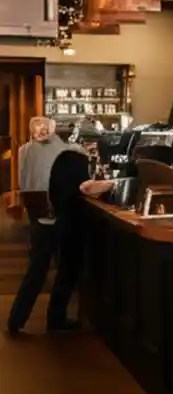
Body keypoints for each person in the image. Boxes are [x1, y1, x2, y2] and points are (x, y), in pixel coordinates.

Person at [7, 117, 109, 335]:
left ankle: (16, 319)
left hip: (37, 215)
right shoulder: (69, 152)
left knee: (37, 269)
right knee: (68, 266)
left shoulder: (25, 150)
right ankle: (55, 317)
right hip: (61, 216)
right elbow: (82, 185)